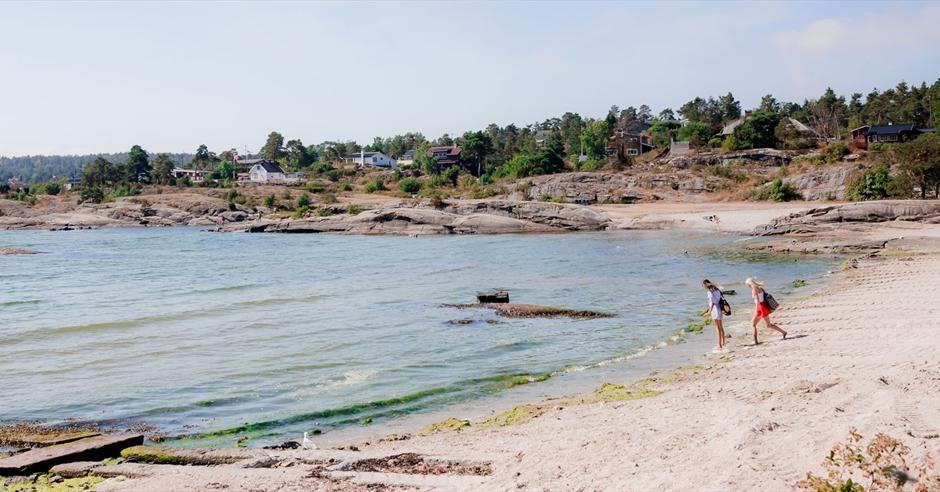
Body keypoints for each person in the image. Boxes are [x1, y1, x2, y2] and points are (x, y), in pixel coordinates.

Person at [744, 277, 787, 345]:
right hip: (764, 307)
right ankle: (783, 332)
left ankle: (755, 341)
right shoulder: (760, 288)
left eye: (747, 284)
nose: (747, 286)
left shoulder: (754, 290)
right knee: (768, 325)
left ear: (749, 284)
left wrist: (756, 311)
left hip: (760, 308)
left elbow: (757, 301)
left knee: (753, 324)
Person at [702, 279, 726, 351]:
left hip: (715, 310)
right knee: (721, 327)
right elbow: (719, 299)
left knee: (717, 328)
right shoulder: (717, 290)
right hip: (719, 308)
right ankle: (723, 343)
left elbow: (712, 303)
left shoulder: (710, 292)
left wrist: (709, 312)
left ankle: (719, 345)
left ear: (705, 285)